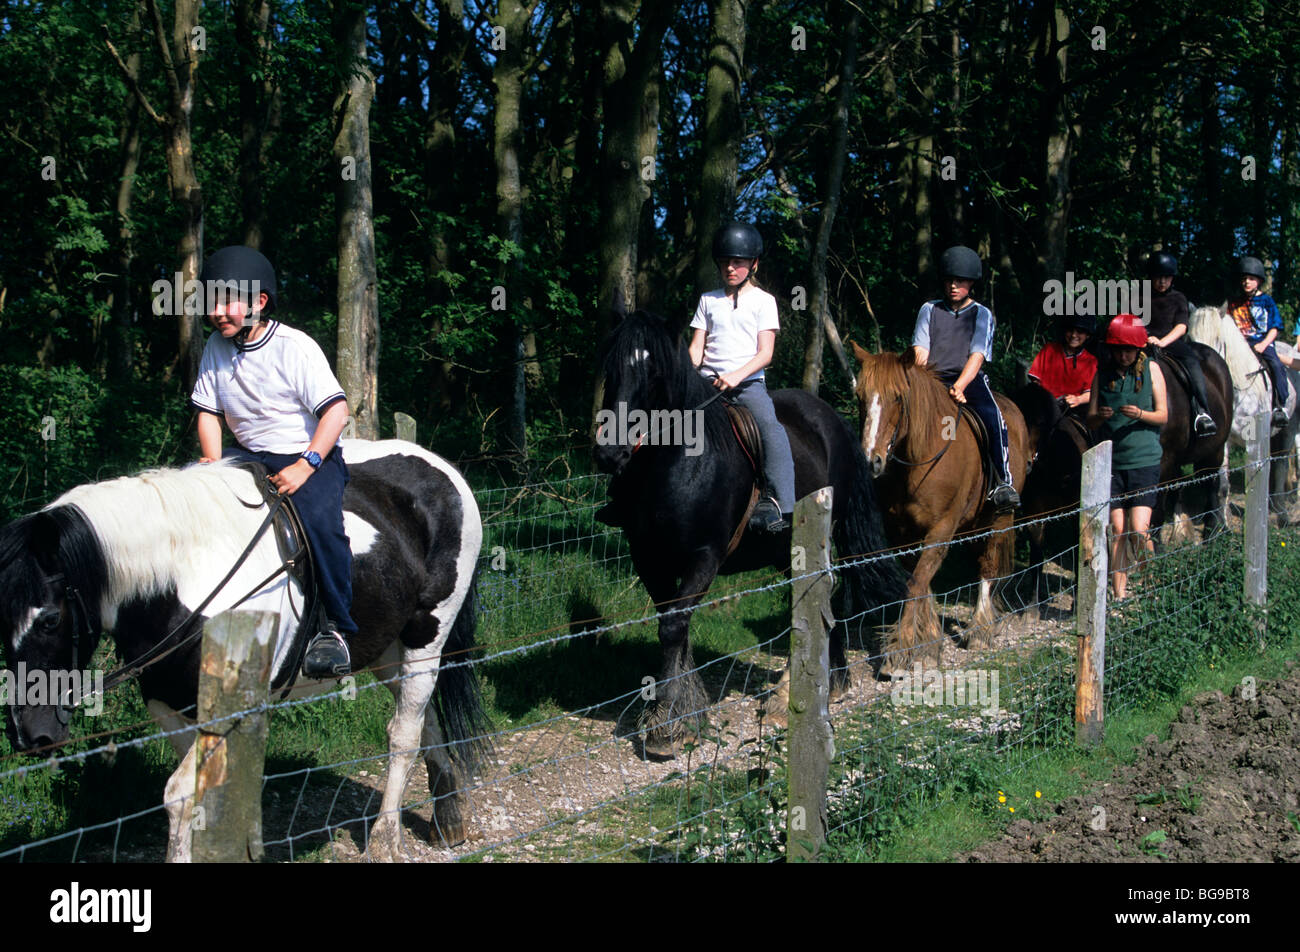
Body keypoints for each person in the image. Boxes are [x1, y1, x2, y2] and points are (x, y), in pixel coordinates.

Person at [190, 245, 355, 678]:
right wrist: (210, 462)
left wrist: (306, 465)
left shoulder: (294, 346)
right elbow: (208, 411)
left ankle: (333, 628)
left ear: (260, 302)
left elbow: (336, 411)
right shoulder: (215, 345)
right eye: (211, 301)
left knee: (320, 522)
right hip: (244, 455)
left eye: (228, 300)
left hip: (305, 453)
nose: (218, 312)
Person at [688, 221, 795, 532]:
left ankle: (781, 504)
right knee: (671, 422)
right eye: (724, 262)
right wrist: (686, 373)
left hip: (747, 385)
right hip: (707, 383)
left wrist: (735, 376)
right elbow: (696, 348)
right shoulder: (708, 300)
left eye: (737, 262)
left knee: (771, 429)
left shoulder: (765, 302)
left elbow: (765, 354)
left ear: (754, 263)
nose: (730, 268)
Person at [911, 245, 1019, 510]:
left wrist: (960, 386)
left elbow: (978, 355)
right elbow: (920, 350)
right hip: (932, 378)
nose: (953, 285)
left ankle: (1002, 481)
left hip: (967, 381)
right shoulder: (929, 309)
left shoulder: (982, 314)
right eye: (949, 280)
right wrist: (924, 384)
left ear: (971, 283)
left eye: (960, 281)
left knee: (994, 417)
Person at [1086, 314, 1168, 600]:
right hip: (1113, 464)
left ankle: (1152, 586)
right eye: (1118, 350)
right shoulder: (1102, 374)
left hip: (1144, 461)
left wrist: (1141, 414)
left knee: (1138, 529)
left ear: (1139, 350)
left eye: (1129, 350)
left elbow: (1163, 415)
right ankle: (1120, 595)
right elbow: (1091, 418)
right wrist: (1100, 416)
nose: (1123, 355)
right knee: (1117, 530)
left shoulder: (1153, 371)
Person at [1146, 250, 1216, 436]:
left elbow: (1181, 327)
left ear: (1172, 278)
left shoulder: (1178, 298)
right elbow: (1132, 321)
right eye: (1158, 277)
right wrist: (1145, 338)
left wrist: (1161, 342)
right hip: (1142, 341)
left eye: (1166, 277)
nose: (1162, 282)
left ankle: (1202, 411)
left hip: (1169, 341)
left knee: (1192, 362)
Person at [1225, 255, 1289, 426]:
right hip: (1239, 345)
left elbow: (1274, 328)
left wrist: (1263, 344)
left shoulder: (1267, 301)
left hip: (1263, 341)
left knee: (1276, 365)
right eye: (1244, 278)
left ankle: (1280, 406)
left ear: (1259, 281)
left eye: (1251, 279)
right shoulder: (1234, 303)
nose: (1247, 282)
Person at [1027, 315, 1098, 412]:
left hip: (1070, 409)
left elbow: (1090, 393)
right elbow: (1035, 382)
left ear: (1088, 335)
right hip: (1043, 406)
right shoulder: (1049, 350)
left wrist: (1078, 399)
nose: (1073, 335)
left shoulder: (1091, 361)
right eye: (1070, 330)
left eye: (1079, 332)